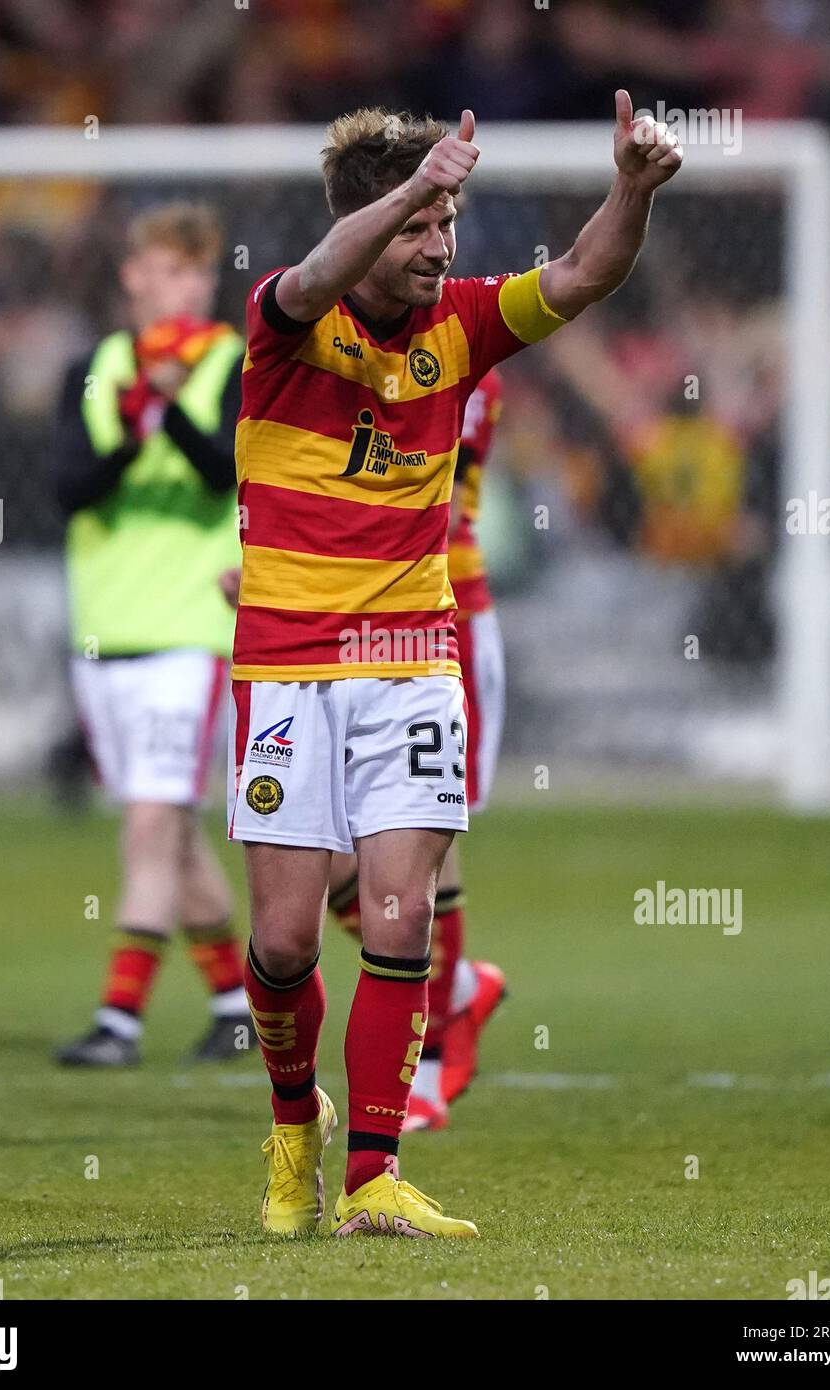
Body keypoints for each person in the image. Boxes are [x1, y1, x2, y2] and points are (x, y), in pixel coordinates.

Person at [229, 94, 682, 1237]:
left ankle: (372, 1175)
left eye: (448, 224)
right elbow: (315, 274)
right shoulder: (286, 320)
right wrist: (406, 191)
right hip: (286, 664)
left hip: (412, 659)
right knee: (282, 940)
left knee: (400, 916)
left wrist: (628, 191)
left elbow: (581, 273)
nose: (441, 246)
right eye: (420, 227)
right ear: (372, 223)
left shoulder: (465, 324)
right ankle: (294, 1122)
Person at [53, 202, 255, 1067]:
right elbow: (69, 487)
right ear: (133, 275)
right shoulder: (92, 369)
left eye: (199, 273)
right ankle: (236, 1004)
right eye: (170, 270)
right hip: (105, 632)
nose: (187, 289)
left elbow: (220, 471)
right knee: (168, 828)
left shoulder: (235, 363)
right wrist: (135, 423)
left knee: (149, 821)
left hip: (192, 630)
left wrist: (167, 408)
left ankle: (119, 1020)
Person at [327, 366, 509, 1133]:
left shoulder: (462, 366)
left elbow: (429, 496)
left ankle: (427, 1069)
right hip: (343, 618)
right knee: (325, 855)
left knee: (425, 829)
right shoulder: (338, 353)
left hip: (440, 617)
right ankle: (458, 984)